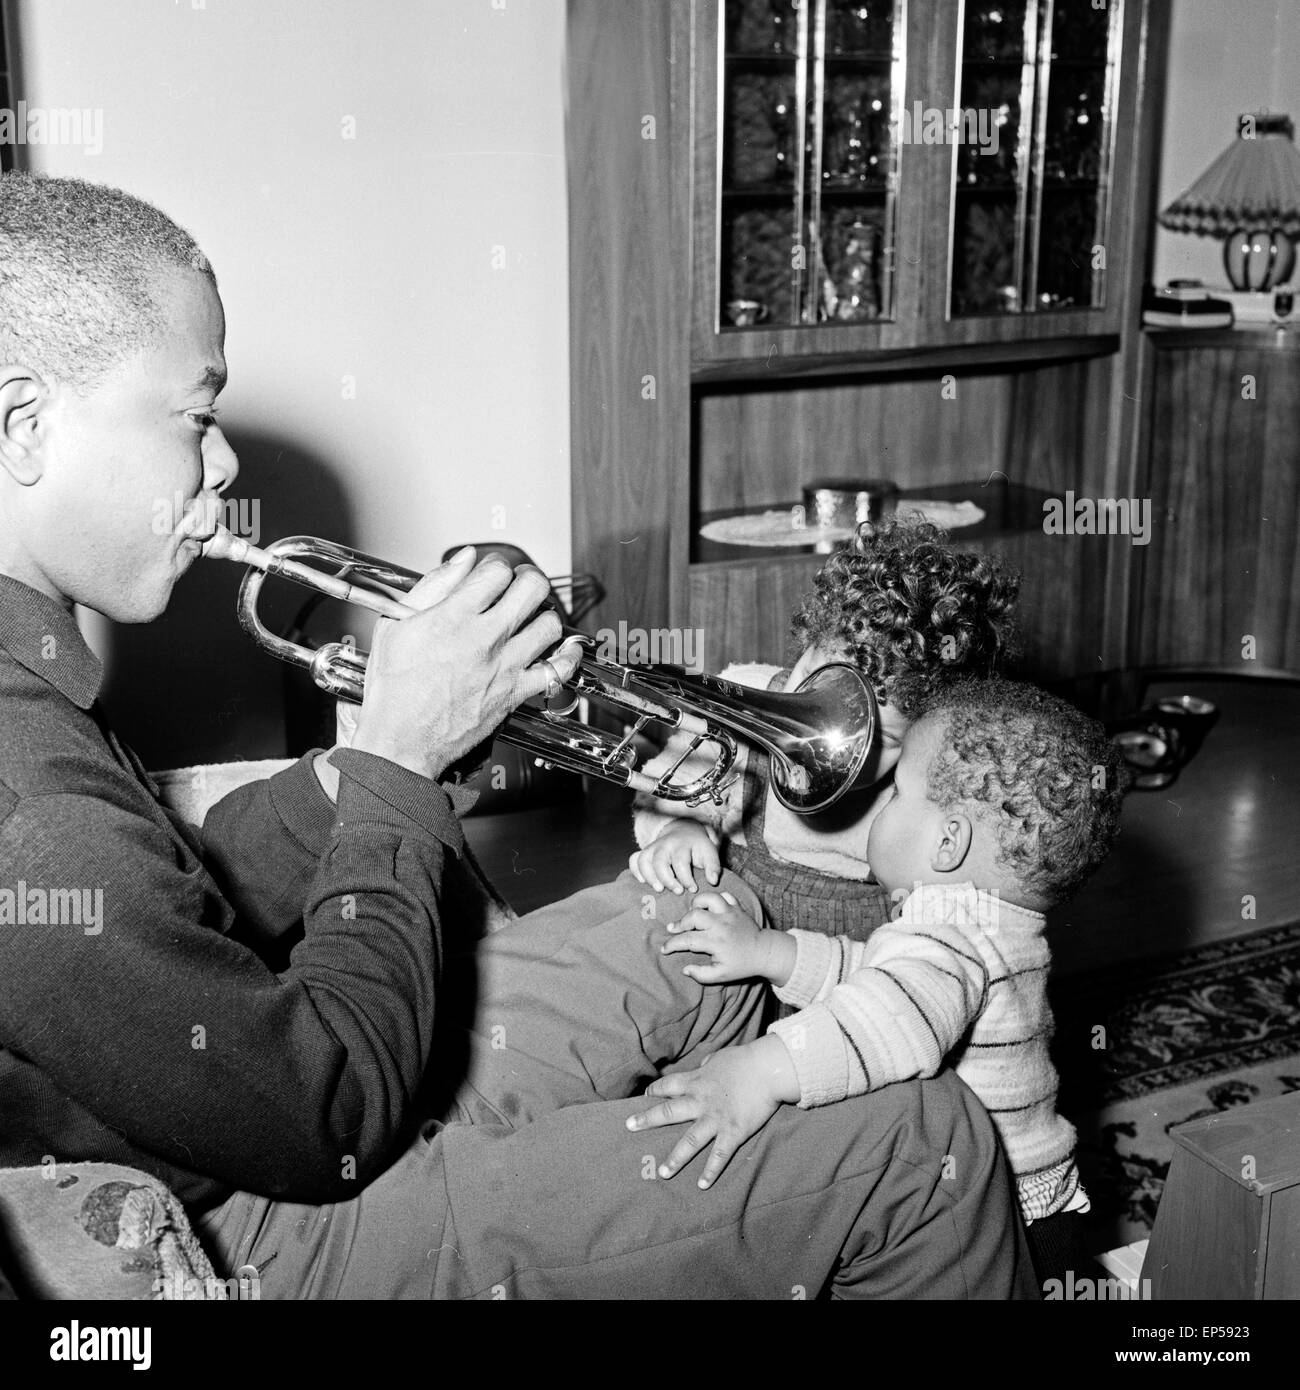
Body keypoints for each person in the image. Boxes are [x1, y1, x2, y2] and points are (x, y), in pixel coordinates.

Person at [0, 172, 1036, 1298]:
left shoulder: (32, 689)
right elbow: (328, 1108)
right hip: (274, 1218)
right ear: (25, 426)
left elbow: (179, 898)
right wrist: (398, 763)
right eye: (196, 415)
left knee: (698, 939)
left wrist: (370, 768)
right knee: (931, 1146)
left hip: (237, 1107)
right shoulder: (30, 806)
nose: (227, 460)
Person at [628, 677, 1127, 1286]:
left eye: (896, 793)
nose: (878, 808)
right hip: (1033, 1187)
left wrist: (761, 1068)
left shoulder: (951, 930)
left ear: (948, 842)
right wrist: (772, 952)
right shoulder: (995, 924)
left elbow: (890, 1019)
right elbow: (879, 977)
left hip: (989, 1210)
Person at [629, 519, 1020, 947]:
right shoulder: (748, 694)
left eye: (884, 740)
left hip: (842, 982)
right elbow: (666, 785)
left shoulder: (920, 798)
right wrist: (679, 830)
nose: (830, 744)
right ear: (807, 645)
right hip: (726, 936)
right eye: (817, 697)